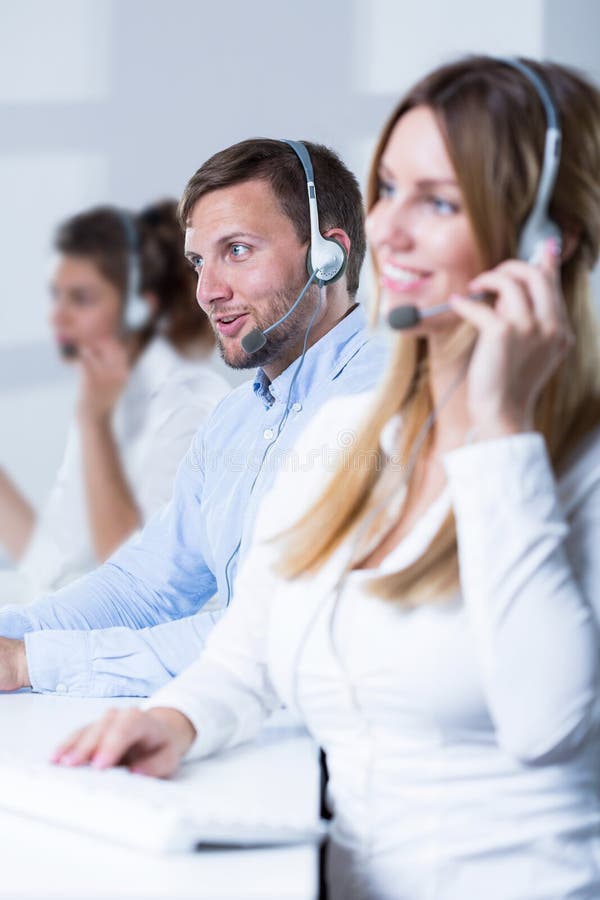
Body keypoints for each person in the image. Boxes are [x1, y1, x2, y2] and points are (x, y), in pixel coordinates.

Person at [51, 57, 600, 899]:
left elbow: (546, 724)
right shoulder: (357, 428)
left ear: (540, 242)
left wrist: (502, 434)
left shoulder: (570, 459)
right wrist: (172, 722)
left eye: (441, 201)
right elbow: (249, 648)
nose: (394, 229)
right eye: (388, 188)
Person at [0, 139, 385, 696]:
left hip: (328, 751)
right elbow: (145, 585)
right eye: (199, 261)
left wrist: (27, 664)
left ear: (329, 256)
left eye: (238, 251)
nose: (208, 292)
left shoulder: (379, 402)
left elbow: (275, 632)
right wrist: (12, 632)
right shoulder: (235, 419)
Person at [0, 201, 228, 601]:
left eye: (81, 298)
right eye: (57, 295)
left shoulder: (191, 408)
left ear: (139, 308)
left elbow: (137, 586)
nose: (57, 317)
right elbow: (52, 567)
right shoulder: (107, 398)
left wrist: (95, 425)